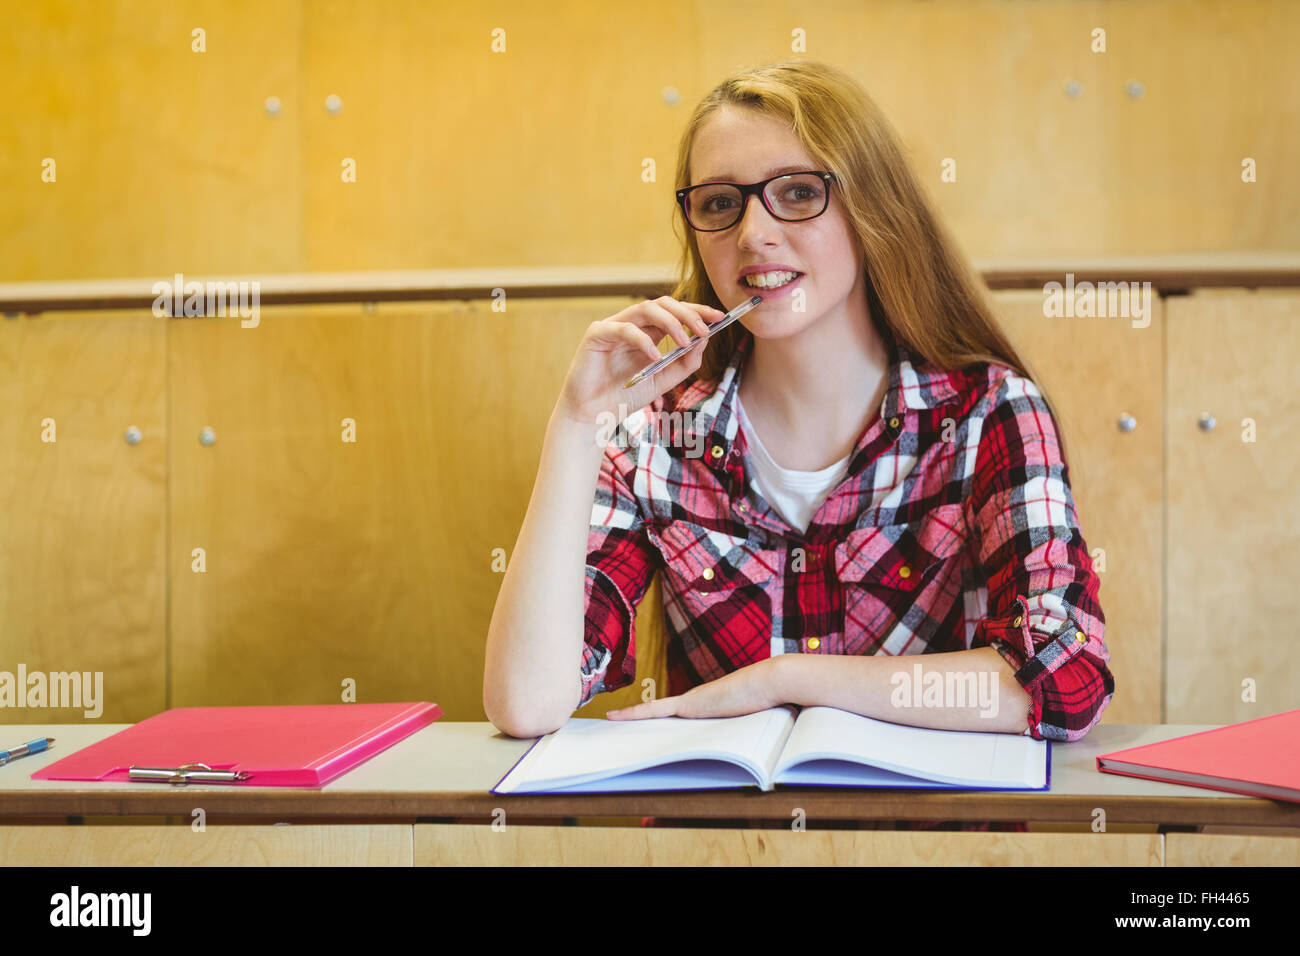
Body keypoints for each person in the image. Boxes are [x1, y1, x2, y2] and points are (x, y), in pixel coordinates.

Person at [483, 60, 1114, 833]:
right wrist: (578, 425)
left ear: (872, 209)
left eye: (798, 192)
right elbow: (526, 701)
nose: (753, 234)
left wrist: (787, 680)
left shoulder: (988, 412)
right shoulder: (656, 433)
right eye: (720, 204)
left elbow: (1064, 674)